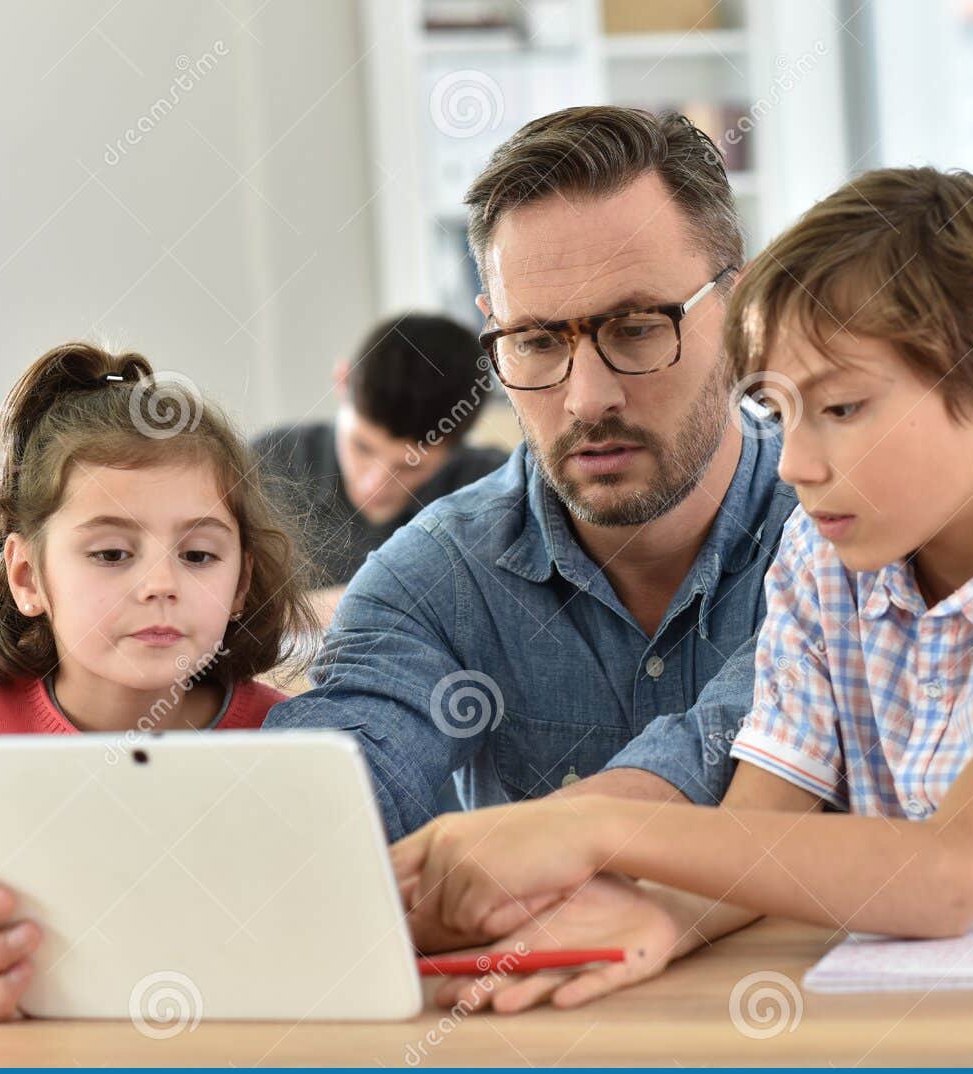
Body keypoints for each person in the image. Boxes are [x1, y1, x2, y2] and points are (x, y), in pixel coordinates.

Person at [391, 167, 973, 1014]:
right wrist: (659, 918)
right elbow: (760, 840)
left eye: (841, 410)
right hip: (916, 1027)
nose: (794, 464)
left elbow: (953, 874)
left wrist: (590, 825)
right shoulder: (823, 563)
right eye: (781, 414)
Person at [263, 107, 799, 848]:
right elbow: (327, 797)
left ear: (739, 309)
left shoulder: (850, 532)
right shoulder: (435, 581)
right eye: (537, 340)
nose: (587, 399)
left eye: (637, 328)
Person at [0, 341, 318, 1022]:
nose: (161, 584)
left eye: (200, 555)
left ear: (240, 583)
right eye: (111, 553)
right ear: (27, 577)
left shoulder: (292, 744)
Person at [252, 314, 507, 623]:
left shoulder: (496, 489)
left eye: (410, 466)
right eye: (362, 447)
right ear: (342, 381)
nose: (374, 485)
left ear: (457, 447)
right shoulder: (268, 465)